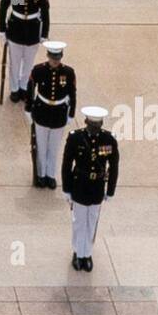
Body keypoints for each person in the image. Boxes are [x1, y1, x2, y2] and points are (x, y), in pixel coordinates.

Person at [61, 106, 119, 272]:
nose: (94, 129)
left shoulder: (109, 140)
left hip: (96, 187)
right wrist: (67, 188)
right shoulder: (76, 138)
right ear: (86, 122)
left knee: (91, 222)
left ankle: (87, 253)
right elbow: (67, 164)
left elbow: (113, 166)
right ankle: (78, 253)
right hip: (79, 185)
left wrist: (110, 190)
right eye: (92, 125)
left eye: (97, 126)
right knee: (79, 222)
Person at [25, 40, 76, 188]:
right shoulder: (38, 70)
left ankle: (50, 175)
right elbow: (30, 89)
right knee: (41, 146)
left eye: (58, 58)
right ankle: (40, 175)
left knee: (53, 148)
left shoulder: (68, 72)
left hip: (59, 113)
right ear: (48, 56)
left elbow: (72, 94)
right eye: (53, 58)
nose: (55, 61)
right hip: (42, 111)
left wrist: (71, 113)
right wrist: (28, 109)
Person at [0, 0, 49, 103]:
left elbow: (45, 13)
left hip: (33, 30)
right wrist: (1, 29)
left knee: (28, 63)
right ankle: (14, 89)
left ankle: (24, 87)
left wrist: (44, 34)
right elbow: (3, 8)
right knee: (14, 62)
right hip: (16, 29)